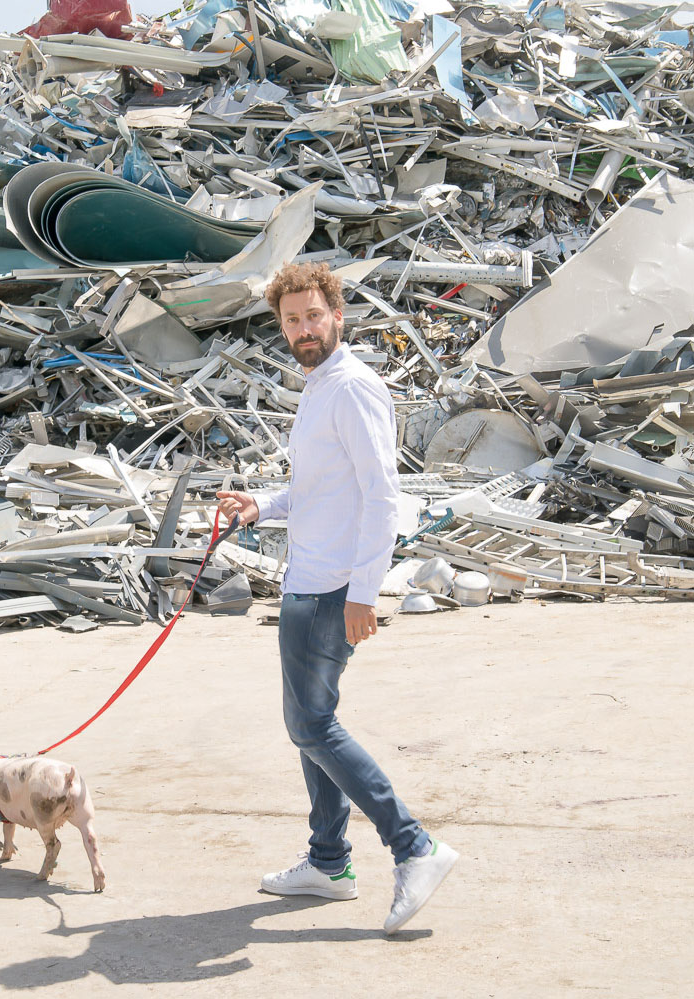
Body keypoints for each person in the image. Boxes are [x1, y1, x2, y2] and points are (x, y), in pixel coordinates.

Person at [216, 262, 457, 934]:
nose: (301, 329)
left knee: (311, 726)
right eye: (290, 320)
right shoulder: (318, 388)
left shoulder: (350, 388)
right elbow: (322, 491)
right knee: (308, 724)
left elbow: (383, 496)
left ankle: (413, 845)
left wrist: (363, 592)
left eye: (312, 316)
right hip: (307, 579)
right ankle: (327, 862)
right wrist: (260, 504)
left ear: (337, 315)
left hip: (329, 591)